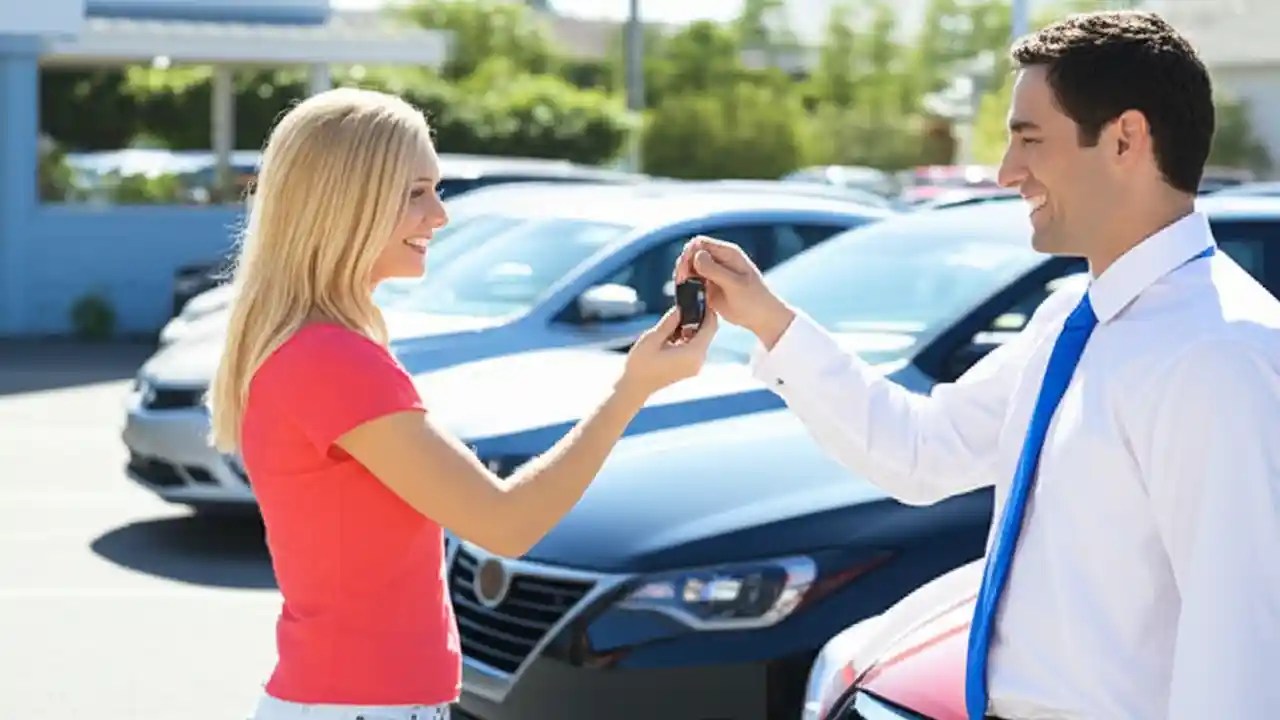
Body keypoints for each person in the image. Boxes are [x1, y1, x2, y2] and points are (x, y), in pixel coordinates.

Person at [677, 10, 1279, 720]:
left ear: (1125, 138)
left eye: (1029, 138)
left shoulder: (1223, 353)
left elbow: (1242, 654)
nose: (1005, 172)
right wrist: (769, 320)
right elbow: (921, 452)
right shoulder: (1071, 319)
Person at [206, 87, 718, 720]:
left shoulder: (317, 347)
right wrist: (631, 390)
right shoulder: (332, 359)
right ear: (347, 203)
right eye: (416, 192)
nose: (439, 216)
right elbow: (505, 525)